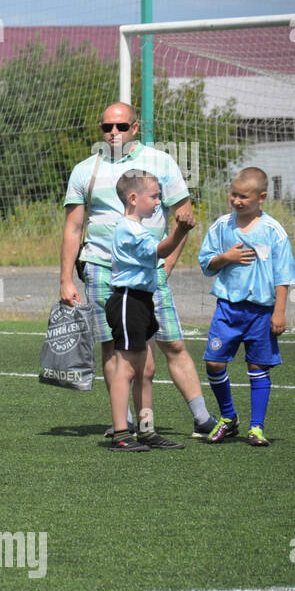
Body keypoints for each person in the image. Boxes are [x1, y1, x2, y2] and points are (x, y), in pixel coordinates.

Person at [60, 101, 218, 438]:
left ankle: (202, 419)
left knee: (172, 343)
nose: (113, 133)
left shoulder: (160, 161)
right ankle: (127, 424)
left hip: (149, 273)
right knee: (113, 348)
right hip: (100, 269)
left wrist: (164, 267)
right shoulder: (85, 169)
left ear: (136, 128)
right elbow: (73, 228)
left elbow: (183, 217)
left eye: (120, 126)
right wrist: (65, 279)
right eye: (107, 127)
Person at [197, 167, 295, 447]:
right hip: (228, 309)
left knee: (257, 366)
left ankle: (256, 428)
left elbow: (284, 275)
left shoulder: (273, 231)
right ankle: (228, 417)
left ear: (261, 197)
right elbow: (206, 263)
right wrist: (226, 257)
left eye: (244, 196)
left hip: (261, 313)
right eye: (233, 194)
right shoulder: (221, 226)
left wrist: (279, 312)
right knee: (214, 362)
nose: (237, 201)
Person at [104, 169, 196, 452]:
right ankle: (122, 432)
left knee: (146, 369)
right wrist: (180, 230)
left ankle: (146, 431)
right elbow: (161, 251)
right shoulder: (128, 228)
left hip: (142, 301)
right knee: (126, 368)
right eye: (154, 196)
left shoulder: (137, 227)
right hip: (128, 301)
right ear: (133, 198)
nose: (159, 201)